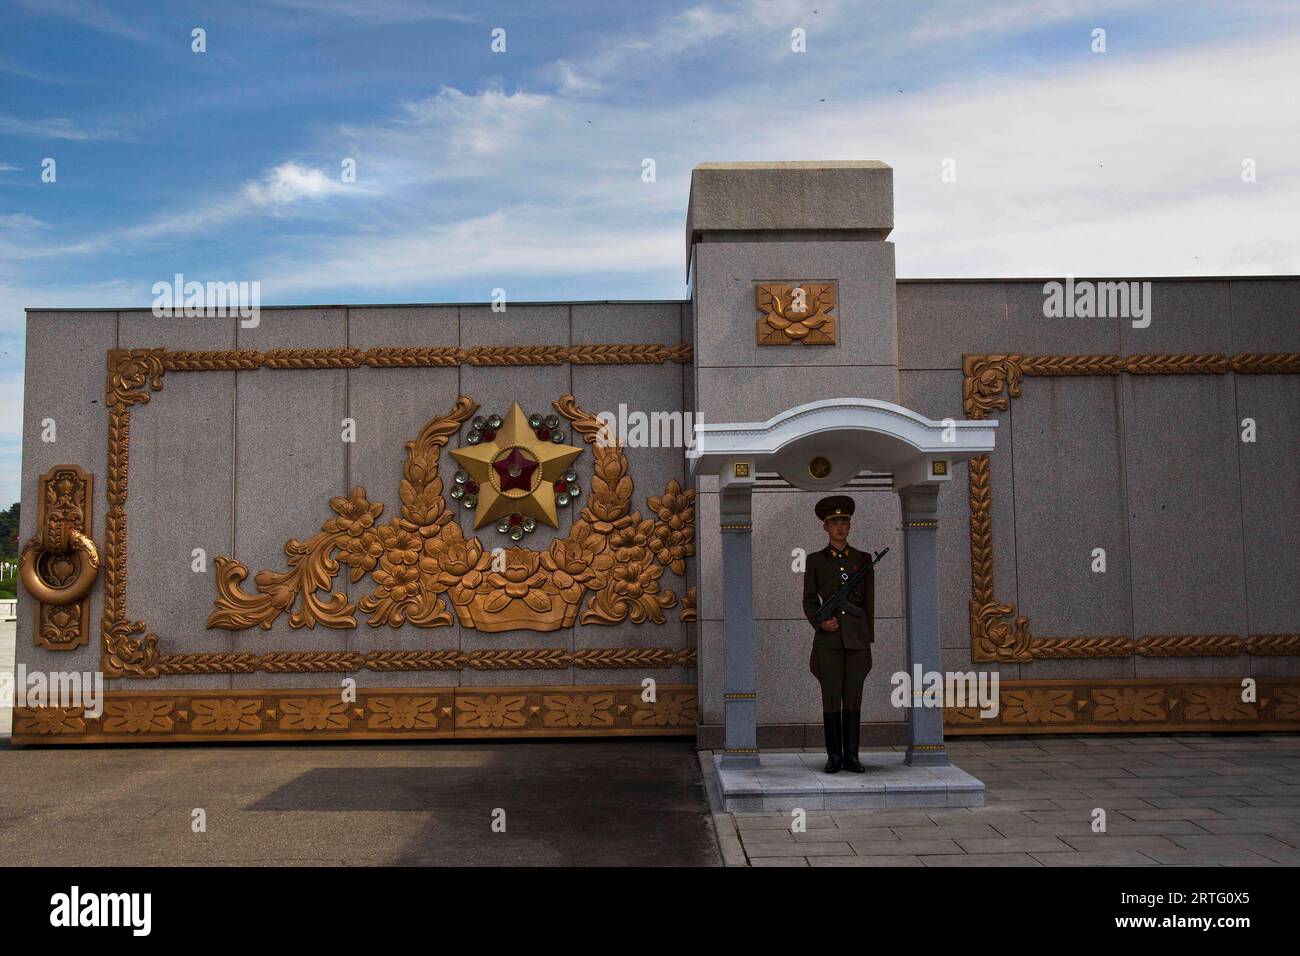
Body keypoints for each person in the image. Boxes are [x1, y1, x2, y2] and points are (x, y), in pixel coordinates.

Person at [801, 495, 874, 773]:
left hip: (856, 639)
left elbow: (869, 603)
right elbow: (809, 600)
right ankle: (834, 755)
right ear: (825, 527)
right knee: (831, 697)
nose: (840, 527)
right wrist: (820, 624)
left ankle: (852, 755)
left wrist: (867, 637)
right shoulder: (815, 561)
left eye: (844, 522)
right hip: (828, 641)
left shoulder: (863, 560)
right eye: (834, 523)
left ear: (850, 525)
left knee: (853, 697)